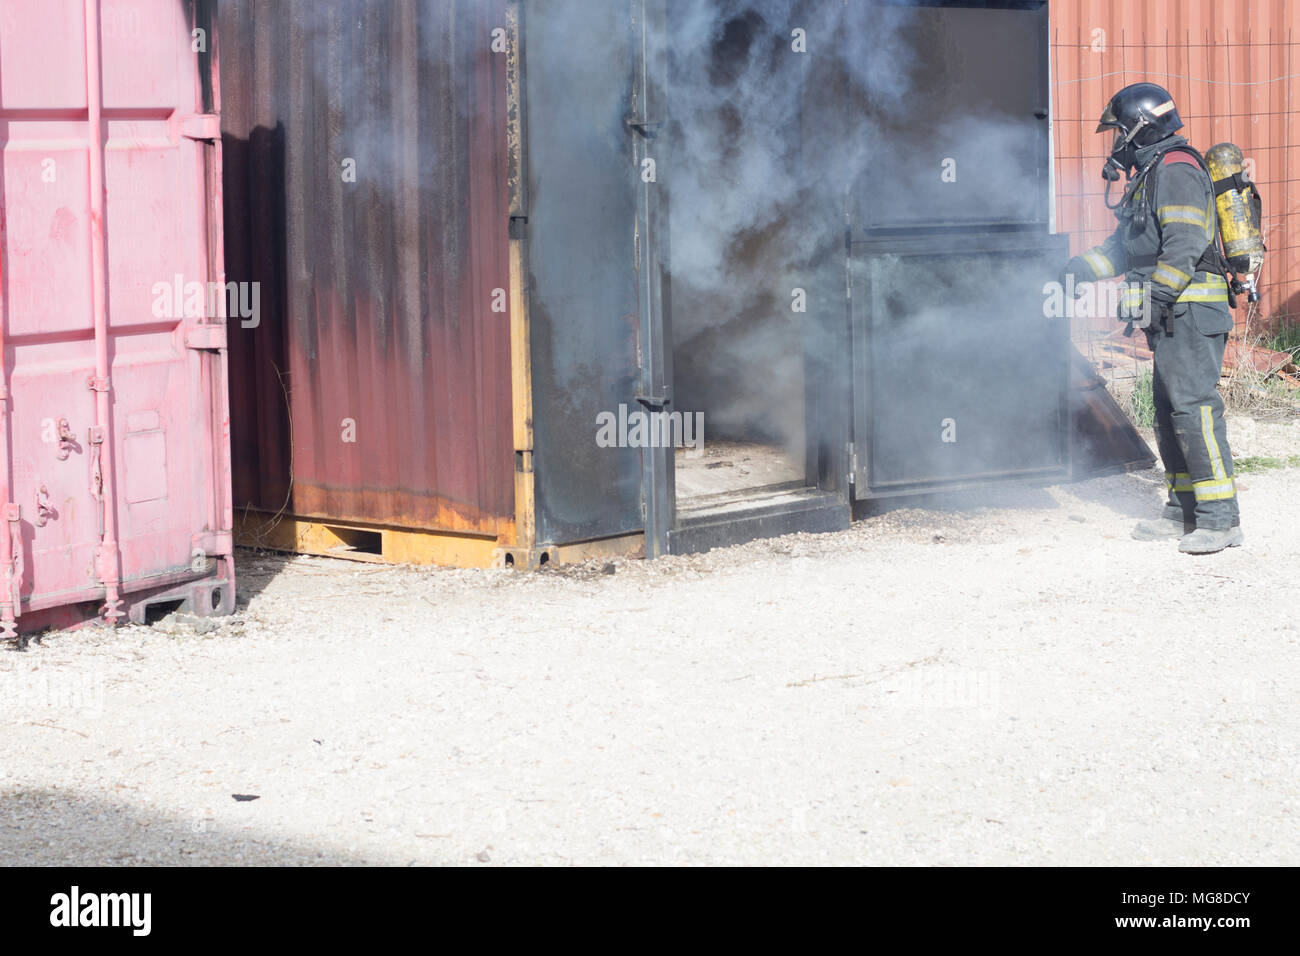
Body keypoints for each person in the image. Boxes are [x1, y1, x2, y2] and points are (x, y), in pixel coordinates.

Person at [1062, 82, 1242, 554]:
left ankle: (1220, 519)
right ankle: (1182, 509)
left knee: (1194, 410)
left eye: (1119, 132)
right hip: (1168, 312)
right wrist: (1078, 269)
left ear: (1141, 128)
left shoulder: (1178, 169)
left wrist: (1157, 294)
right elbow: (1126, 248)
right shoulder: (1150, 173)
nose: (1115, 143)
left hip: (1189, 309)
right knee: (1167, 412)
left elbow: (1184, 244)